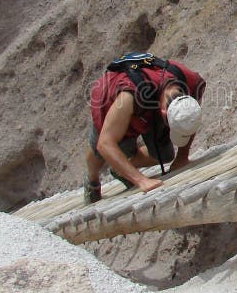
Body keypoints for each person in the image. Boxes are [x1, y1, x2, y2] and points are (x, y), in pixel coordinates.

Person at [84, 54, 205, 203]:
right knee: (103, 151)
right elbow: (105, 144)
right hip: (111, 99)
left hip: (147, 104)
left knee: (165, 154)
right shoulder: (129, 97)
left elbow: (191, 118)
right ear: (163, 113)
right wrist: (141, 180)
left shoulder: (191, 82)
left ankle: (120, 169)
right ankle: (92, 180)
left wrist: (182, 157)